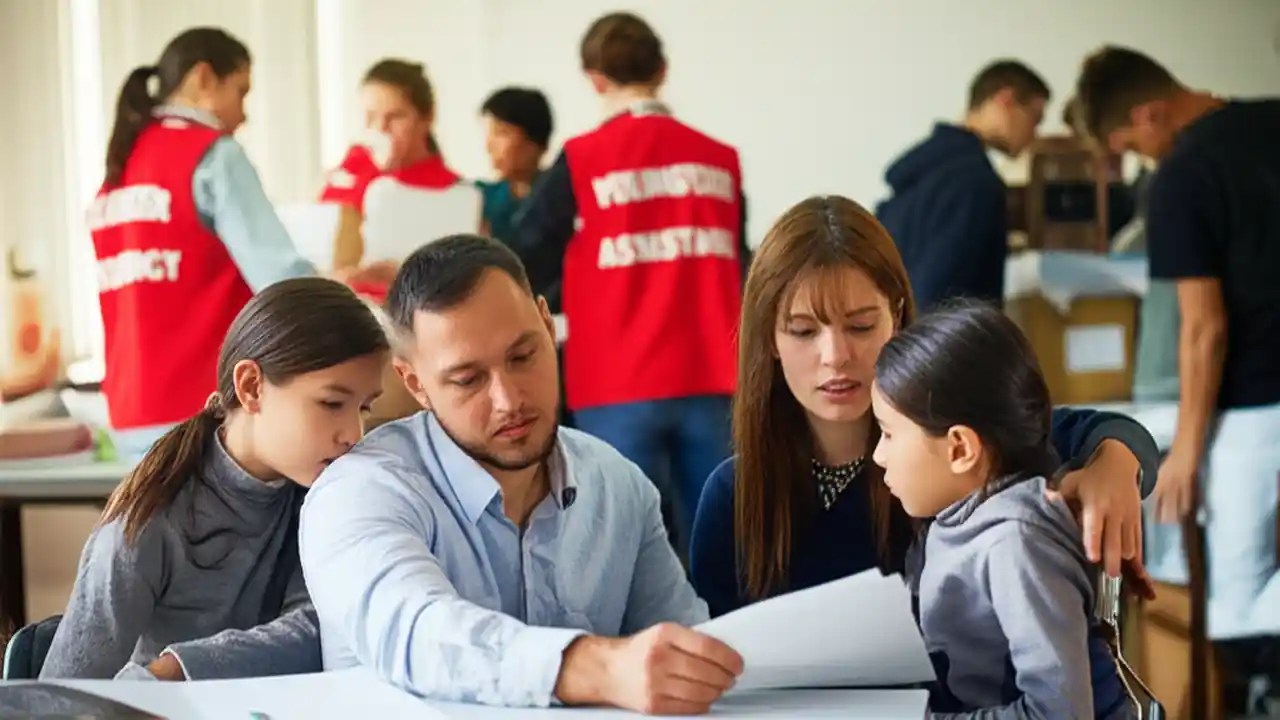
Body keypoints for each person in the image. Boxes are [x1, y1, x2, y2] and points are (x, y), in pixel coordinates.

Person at [300, 236, 744, 714]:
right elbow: (417, 633)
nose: (509, 400)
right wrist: (597, 667)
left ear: (545, 321)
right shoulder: (359, 491)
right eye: (468, 379)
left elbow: (686, 650)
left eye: (523, 356)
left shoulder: (620, 485)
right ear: (415, 383)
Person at [690, 196, 1157, 621]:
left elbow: (1103, 432)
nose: (835, 356)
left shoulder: (950, 439)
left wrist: (1114, 463)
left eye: (860, 326)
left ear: (895, 315)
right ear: (769, 338)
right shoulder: (733, 495)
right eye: (803, 332)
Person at [40, 278, 388, 680]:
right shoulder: (148, 523)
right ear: (252, 387)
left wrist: (172, 670)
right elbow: (61, 693)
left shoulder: (325, 498)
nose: (353, 434)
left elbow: (319, 631)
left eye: (364, 408)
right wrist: (158, 682)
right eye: (332, 403)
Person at [1075, 46, 1280, 710]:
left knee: (1239, 602)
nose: (1139, 159)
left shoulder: (1184, 175)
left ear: (1150, 113)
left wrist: (1186, 451)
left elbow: (1203, 328)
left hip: (1252, 411)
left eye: (1131, 143)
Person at [507, 12, 749, 552]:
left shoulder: (581, 161)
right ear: (662, 70)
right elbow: (744, 261)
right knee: (729, 543)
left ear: (593, 79)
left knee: (616, 547)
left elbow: (526, 256)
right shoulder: (720, 160)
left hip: (615, 379)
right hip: (714, 372)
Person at [872, 301, 1132, 718]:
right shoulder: (958, 517)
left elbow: (1059, 713)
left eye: (887, 434)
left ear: (960, 448)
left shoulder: (1016, 544)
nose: (878, 456)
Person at [90, 27, 315, 461]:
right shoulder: (212, 155)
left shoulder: (120, 168)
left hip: (128, 419)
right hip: (206, 414)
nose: (243, 115)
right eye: (241, 92)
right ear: (205, 78)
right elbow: (285, 286)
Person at [876, 60, 1049, 312]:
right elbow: (941, 291)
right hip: (946, 347)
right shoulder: (974, 184)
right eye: (1035, 118)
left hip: (897, 344)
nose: (1035, 133)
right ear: (1005, 100)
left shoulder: (917, 177)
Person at [319, 59, 463, 283]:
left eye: (395, 117)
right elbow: (327, 239)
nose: (380, 128)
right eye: (370, 117)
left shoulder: (453, 191)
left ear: (427, 117)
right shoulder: (354, 167)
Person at [477, 87, 553, 252]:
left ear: (533, 142)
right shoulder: (481, 198)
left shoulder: (559, 197)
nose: (489, 145)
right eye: (489, 134)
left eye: (501, 133)